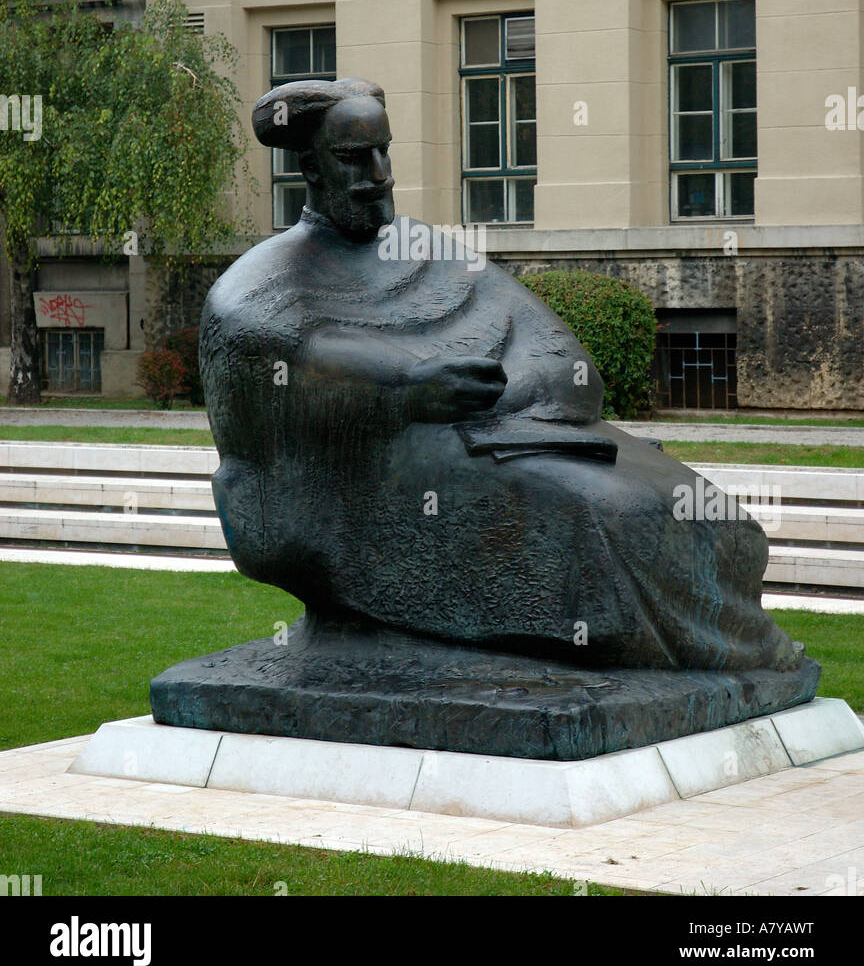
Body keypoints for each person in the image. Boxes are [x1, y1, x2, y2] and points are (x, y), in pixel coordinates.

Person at [199, 76, 813, 683]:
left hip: (514, 434)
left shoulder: (427, 250)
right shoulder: (258, 287)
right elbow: (285, 368)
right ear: (309, 167)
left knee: (709, 512)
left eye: (385, 152)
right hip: (367, 480)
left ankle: (725, 653)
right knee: (609, 511)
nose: (380, 174)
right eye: (356, 158)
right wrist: (407, 393)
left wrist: (492, 398)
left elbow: (563, 358)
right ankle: (683, 652)